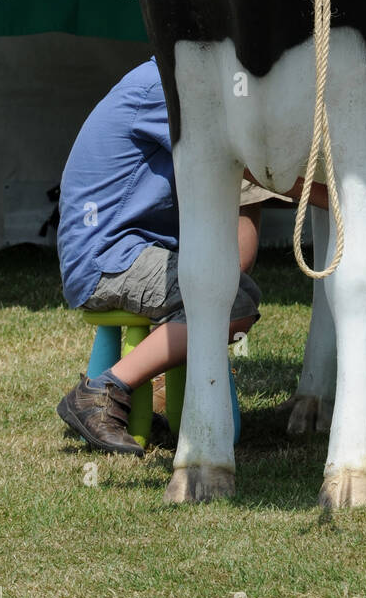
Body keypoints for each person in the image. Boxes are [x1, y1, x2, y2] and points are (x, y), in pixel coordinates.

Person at [55, 58, 325, 456]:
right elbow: (244, 164)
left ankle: (141, 398)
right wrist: (335, 197)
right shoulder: (166, 89)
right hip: (108, 258)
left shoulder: (172, 77)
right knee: (233, 302)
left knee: (233, 292)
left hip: (117, 252)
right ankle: (101, 392)